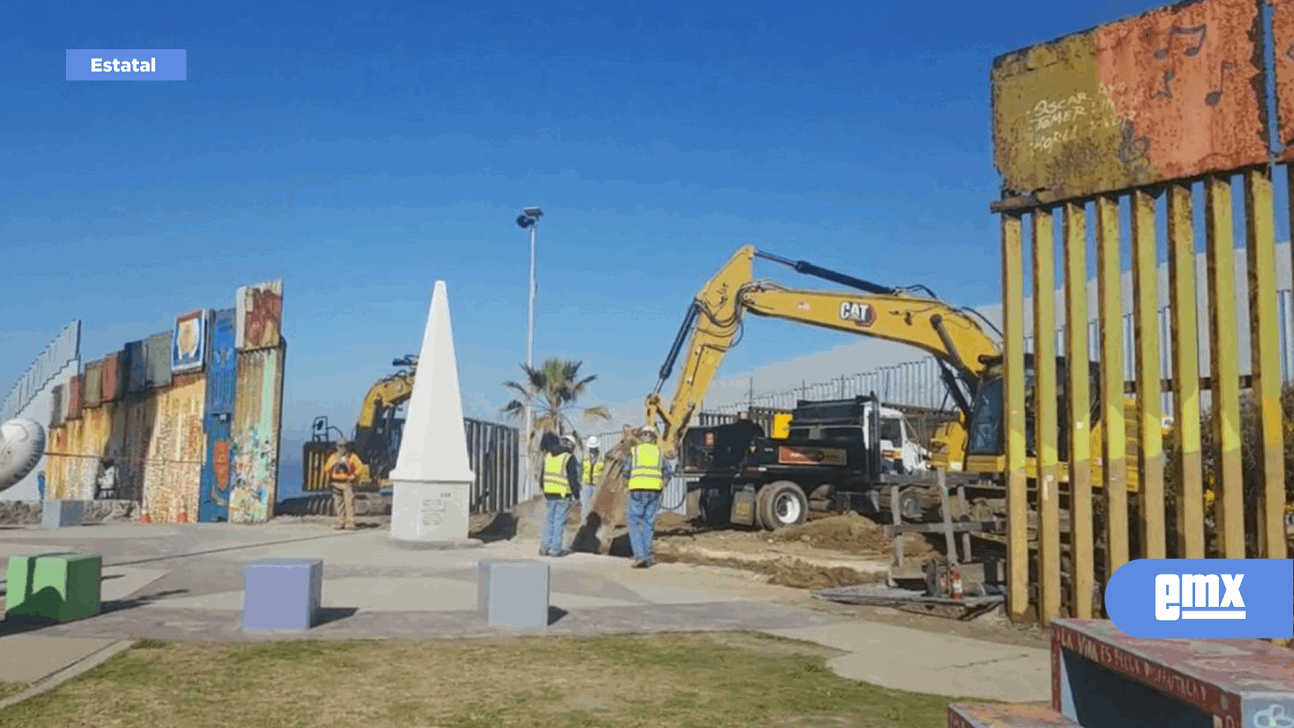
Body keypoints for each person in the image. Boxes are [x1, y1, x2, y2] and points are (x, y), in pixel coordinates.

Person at [624, 425, 673, 568]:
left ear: (640, 437)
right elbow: (668, 472)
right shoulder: (659, 452)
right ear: (653, 438)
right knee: (649, 523)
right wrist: (662, 485)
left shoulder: (634, 452)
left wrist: (626, 486)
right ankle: (648, 556)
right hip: (654, 492)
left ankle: (640, 556)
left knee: (634, 523)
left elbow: (626, 471)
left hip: (637, 490)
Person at [539, 433, 581, 557]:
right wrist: (577, 497)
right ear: (572, 445)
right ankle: (555, 549)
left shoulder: (548, 456)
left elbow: (542, 477)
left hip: (549, 494)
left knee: (549, 521)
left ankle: (544, 548)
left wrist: (545, 490)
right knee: (559, 522)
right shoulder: (569, 457)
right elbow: (573, 479)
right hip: (563, 494)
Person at [323, 439, 364, 530]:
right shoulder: (333, 457)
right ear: (337, 447)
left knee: (349, 503)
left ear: (347, 447)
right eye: (340, 446)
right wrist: (330, 477)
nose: (342, 448)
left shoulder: (352, 457)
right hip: (335, 483)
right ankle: (341, 521)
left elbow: (360, 467)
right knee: (338, 504)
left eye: (343, 446)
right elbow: (326, 469)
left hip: (347, 483)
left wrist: (353, 476)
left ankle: (350, 522)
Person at [580, 435, 604, 517]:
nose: (592, 449)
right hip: (586, 485)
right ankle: (584, 522)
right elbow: (580, 469)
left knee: (597, 507)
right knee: (585, 507)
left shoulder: (602, 457)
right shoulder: (584, 457)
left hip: (597, 486)